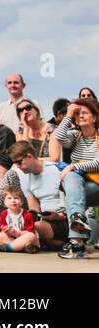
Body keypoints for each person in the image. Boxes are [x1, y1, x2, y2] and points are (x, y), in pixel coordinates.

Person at [53, 96, 99, 260]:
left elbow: (98, 163)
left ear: (94, 117)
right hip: (80, 187)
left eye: (85, 113)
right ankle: (76, 241)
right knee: (71, 178)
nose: (80, 116)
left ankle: (77, 241)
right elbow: (57, 138)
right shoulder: (75, 136)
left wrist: (74, 165)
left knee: (71, 175)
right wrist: (68, 116)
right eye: (78, 113)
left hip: (96, 185)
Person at [0, 188, 39, 253]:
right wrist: (6, 230)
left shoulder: (27, 215)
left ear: (21, 202)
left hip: (25, 239)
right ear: (5, 202)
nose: (13, 200)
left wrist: (16, 233)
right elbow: (3, 228)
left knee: (31, 236)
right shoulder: (4, 214)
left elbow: (30, 232)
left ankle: (8, 248)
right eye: (9, 198)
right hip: (12, 239)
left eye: (16, 198)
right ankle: (21, 247)